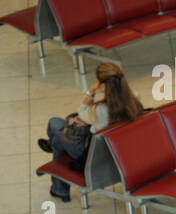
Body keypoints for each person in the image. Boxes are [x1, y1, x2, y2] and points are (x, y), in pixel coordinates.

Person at [37, 63, 143, 202]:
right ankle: (58, 188)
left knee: (54, 124)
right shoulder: (133, 97)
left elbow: (81, 113)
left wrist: (90, 92)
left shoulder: (100, 110)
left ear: (103, 86)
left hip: (93, 156)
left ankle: (59, 184)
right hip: (121, 153)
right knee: (59, 141)